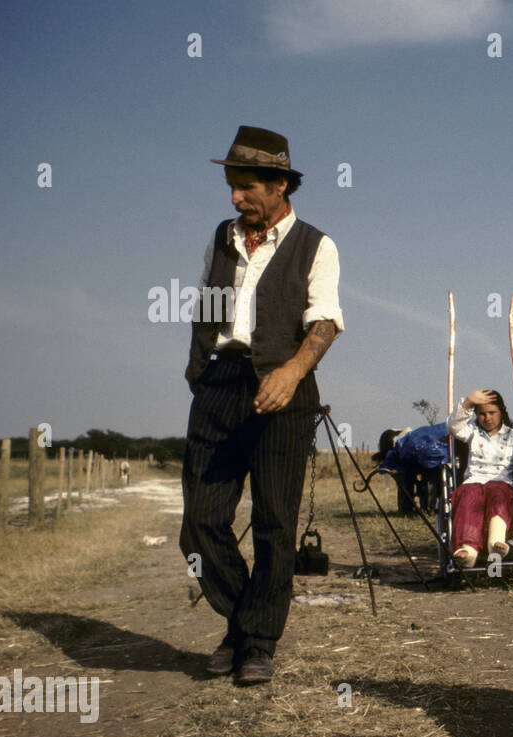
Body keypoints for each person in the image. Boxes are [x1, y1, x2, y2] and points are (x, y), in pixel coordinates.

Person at [180, 125, 343, 685]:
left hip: (284, 391)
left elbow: (326, 321)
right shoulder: (221, 237)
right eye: (231, 185)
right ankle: (245, 619)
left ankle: (256, 644)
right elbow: (207, 302)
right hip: (220, 385)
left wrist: (293, 373)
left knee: (274, 523)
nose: (234, 197)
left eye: (246, 186)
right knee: (200, 522)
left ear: (279, 184)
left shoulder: (317, 245)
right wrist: (199, 367)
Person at [447, 389, 513, 568]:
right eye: (482, 414)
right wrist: (468, 403)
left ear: (501, 412)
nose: (487, 418)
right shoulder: (472, 432)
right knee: (468, 493)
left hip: (502, 482)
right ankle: (468, 549)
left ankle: (496, 542)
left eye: (492, 413)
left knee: (498, 492)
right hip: (475, 480)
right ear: (476, 415)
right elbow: (453, 427)